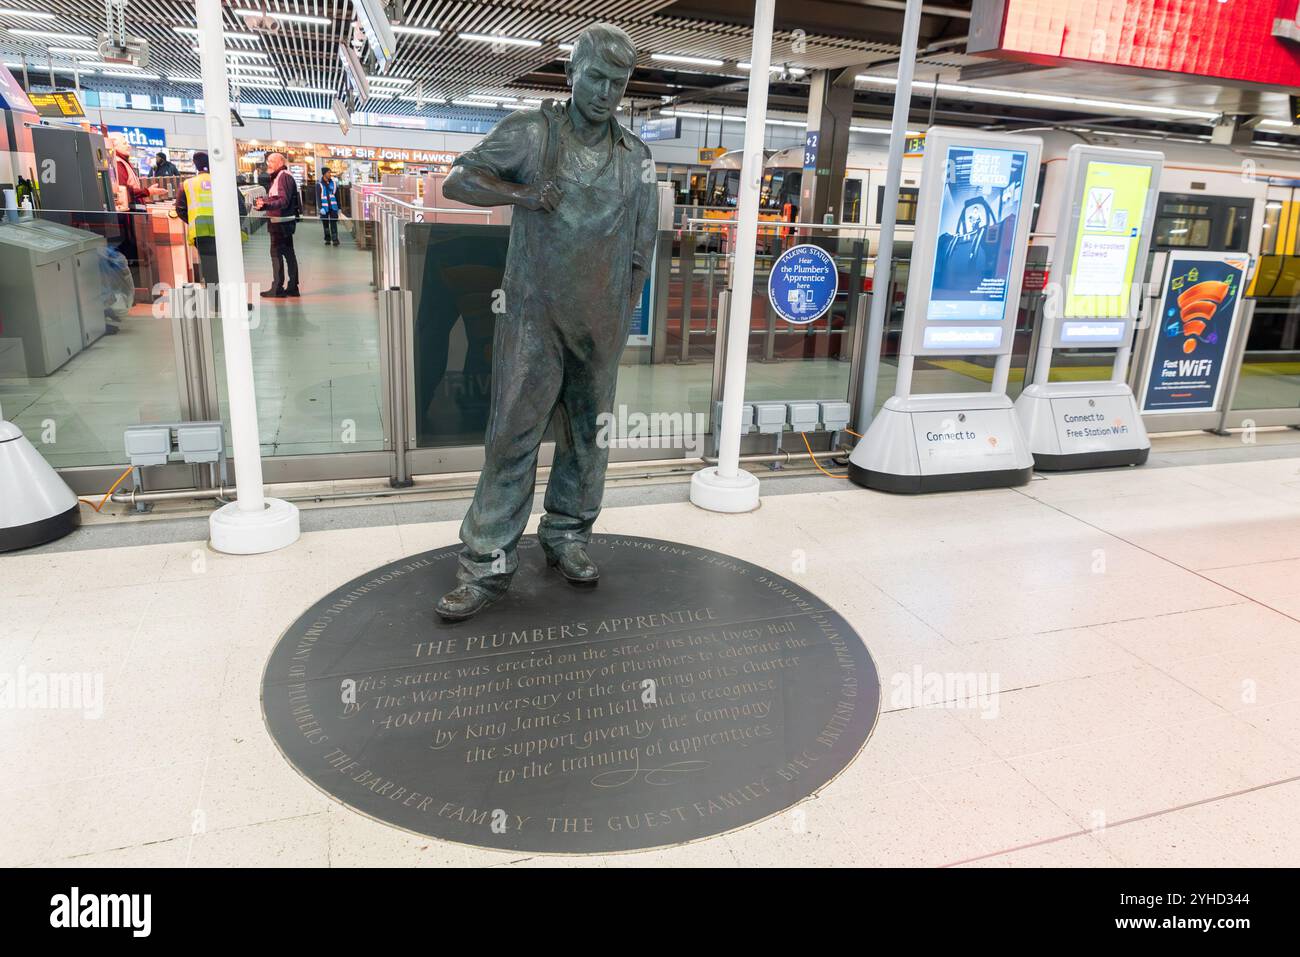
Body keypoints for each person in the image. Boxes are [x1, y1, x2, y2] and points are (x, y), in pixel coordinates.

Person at [433, 22, 657, 621]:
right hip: (533, 319)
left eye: (618, 82)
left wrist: (621, 316)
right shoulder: (532, 134)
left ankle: (568, 535)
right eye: (596, 78)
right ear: (571, 73)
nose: (606, 92)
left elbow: (642, 246)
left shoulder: (637, 158)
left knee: (588, 442)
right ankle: (485, 563)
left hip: (600, 322)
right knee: (512, 437)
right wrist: (524, 195)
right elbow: (459, 179)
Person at [175, 150, 246, 288]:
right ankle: (232, 300)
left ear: (196, 166)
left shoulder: (187, 184)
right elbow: (241, 207)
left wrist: (194, 221)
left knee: (209, 267)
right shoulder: (224, 181)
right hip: (224, 230)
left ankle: (215, 302)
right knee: (229, 266)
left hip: (201, 231)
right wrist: (235, 226)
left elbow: (180, 209)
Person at [253, 151, 300, 297]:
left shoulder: (282, 177)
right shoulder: (283, 176)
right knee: (288, 253)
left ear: (280, 162)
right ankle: (292, 287)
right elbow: (280, 198)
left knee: (277, 254)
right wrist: (266, 202)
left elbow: (283, 201)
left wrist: (266, 206)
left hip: (280, 222)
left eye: (271, 161)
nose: (268, 165)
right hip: (284, 221)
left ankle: (278, 288)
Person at [318, 167, 340, 245]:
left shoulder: (333, 183)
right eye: (328, 172)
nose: (330, 174)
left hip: (333, 207)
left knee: (334, 224)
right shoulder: (319, 184)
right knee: (325, 224)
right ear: (324, 174)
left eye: (330, 172)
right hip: (324, 208)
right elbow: (318, 197)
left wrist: (339, 207)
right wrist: (320, 208)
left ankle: (335, 240)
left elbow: (337, 196)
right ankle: (327, 239)